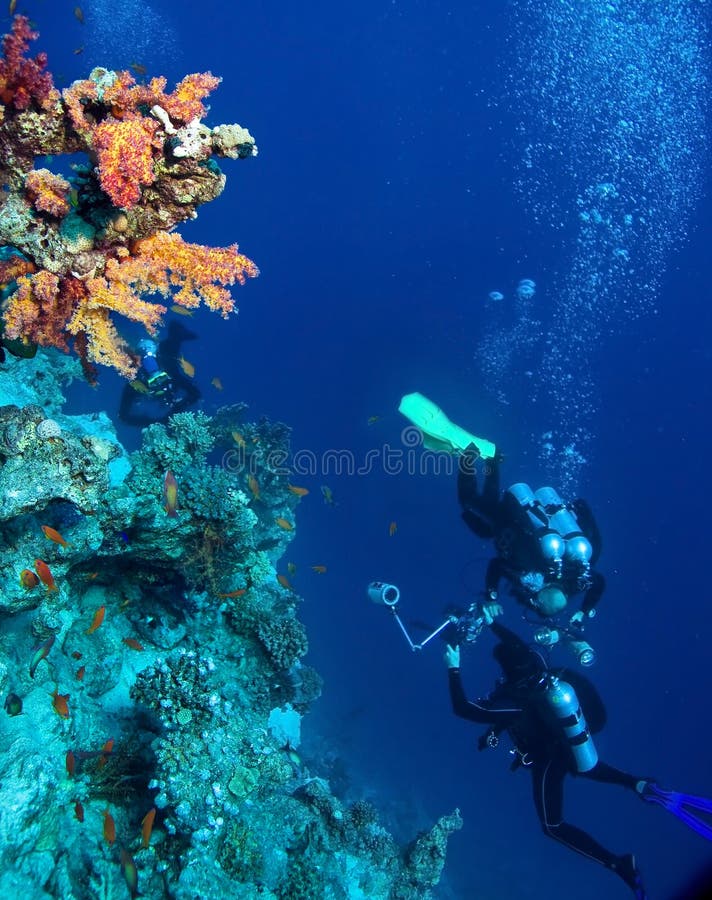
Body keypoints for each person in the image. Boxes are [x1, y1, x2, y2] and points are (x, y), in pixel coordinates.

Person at [444, 623, 649, 898]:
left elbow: (464, 708)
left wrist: (453, 667)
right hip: (564, 742)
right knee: (586, 765)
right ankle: (637, 784)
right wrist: (491, 622)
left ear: (506, 671)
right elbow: (517, 645)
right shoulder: (540, 670)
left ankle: (618, 864)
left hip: (547, 757)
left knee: (553, 826)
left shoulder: (514, 702)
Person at [457, 444, 605, 627]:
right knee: (469, 503)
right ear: (538, 600)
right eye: (535, 603)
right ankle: (469, 455)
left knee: (486, 517)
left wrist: (584, 611)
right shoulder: (532, 573)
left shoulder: (578, 577)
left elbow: (599, 582)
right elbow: (497, 565)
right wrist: (491, 596)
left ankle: (492, 459)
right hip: (512, 520)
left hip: (531, 516)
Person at [118, 321, 201, 427]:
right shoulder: (135, 383)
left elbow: (195, 394)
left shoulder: (169, 365)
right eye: (154, 381)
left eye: (161, 377)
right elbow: (123, 416)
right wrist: (157, 423)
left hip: (166, 357)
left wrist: (173, 412)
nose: (158, 382)